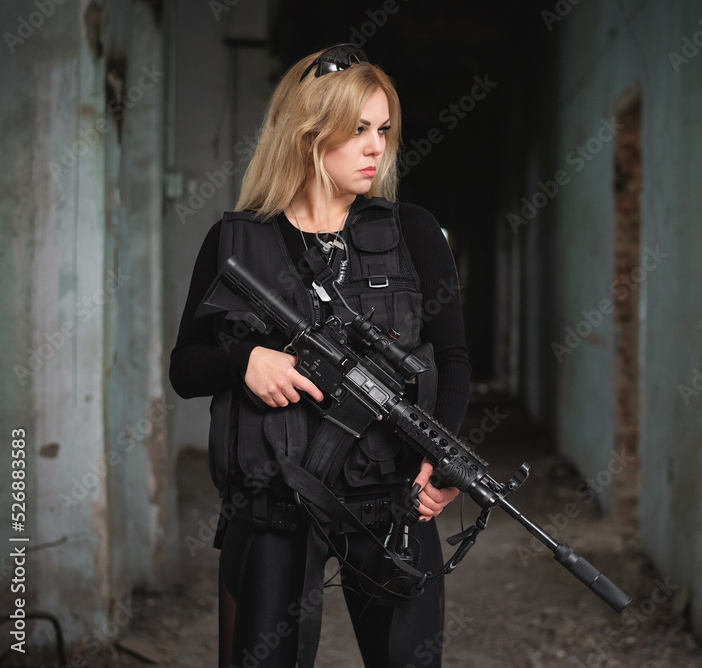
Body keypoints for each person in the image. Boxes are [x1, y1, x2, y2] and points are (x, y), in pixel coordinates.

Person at [169, 44, 471, 668]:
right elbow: (185, 366)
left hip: (389, 501)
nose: (376, 147)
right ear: (309, 134)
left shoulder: (413, 232)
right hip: (272, 504)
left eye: (383, 129)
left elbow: (454, 360)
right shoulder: (236, 241)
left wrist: (442, 467)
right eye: (357, 130)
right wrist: (245, 360)